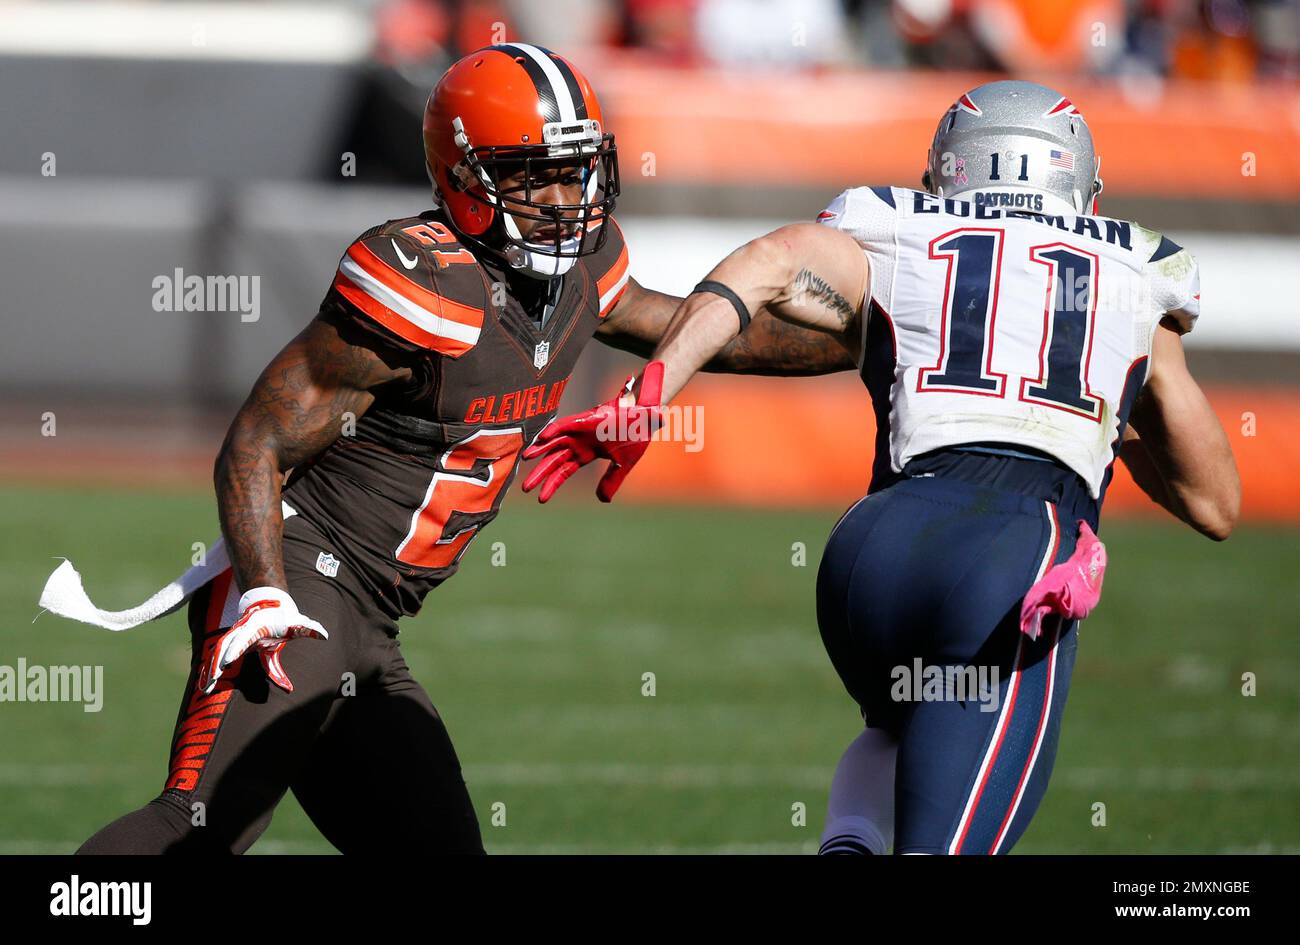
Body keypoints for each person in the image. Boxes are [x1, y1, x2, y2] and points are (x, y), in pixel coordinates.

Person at [75, 43, 851, 854]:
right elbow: (255, 443)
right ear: (466, 179)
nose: (563, 197)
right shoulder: (428, 281)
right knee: (197, 824)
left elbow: (707, 333)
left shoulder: (586, 272)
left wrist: (870, 343)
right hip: (303, 583)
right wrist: (265, 593)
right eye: (532, 174)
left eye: (576, 169)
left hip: (369, 622)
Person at [523, 80, 1241, 854]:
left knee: (902, 720)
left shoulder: (896, 227)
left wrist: (652, 390)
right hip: (1012, 552)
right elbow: (1215, 502)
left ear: (947, 172)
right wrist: (1101, 406)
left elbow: (769, 261)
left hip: (871, 554)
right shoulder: (1133, 270)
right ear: (1079, 184)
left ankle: (850, 838)